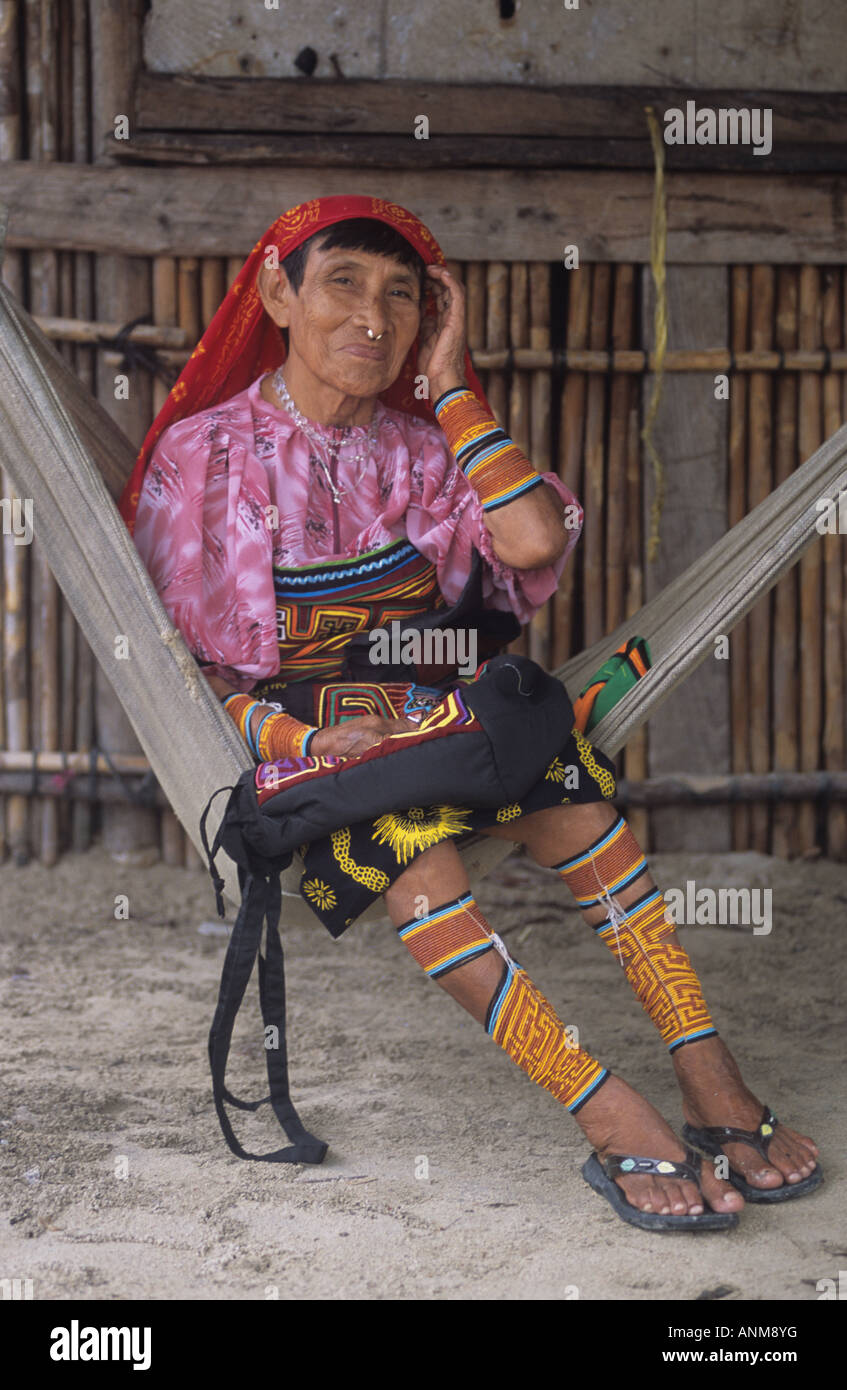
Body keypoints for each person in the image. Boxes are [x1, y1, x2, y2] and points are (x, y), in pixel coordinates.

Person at [120, 195, 821, 1230]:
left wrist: (449, 386)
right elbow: (198, 682)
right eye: (344, 284)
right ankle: (604, 1104)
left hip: (447, 718)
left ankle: (705, 1066)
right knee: (421, 858)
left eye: (403, 297)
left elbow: (532, 541)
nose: (373, 316)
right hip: (314, 748)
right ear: (276, 291)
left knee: (578, 808)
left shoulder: (421, 448)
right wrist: (308, 741)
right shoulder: (205, 458)